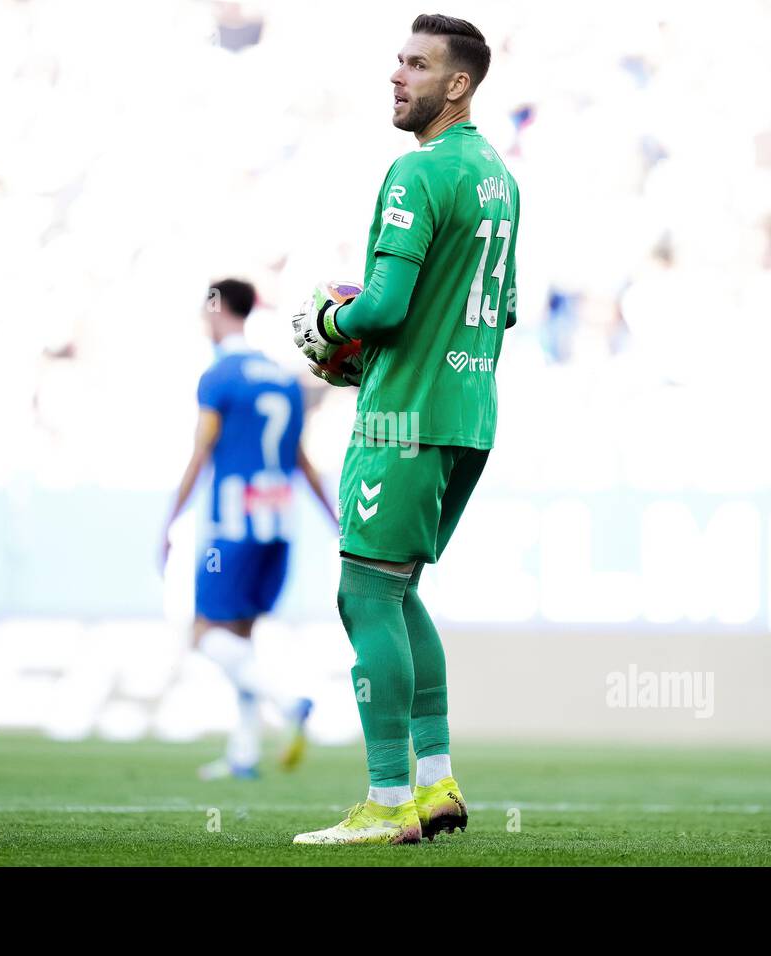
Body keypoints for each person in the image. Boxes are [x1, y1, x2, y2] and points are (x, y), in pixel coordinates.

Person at [290, 14, 519, 844]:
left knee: (362, 592)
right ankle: (435, 783)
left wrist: (330, 320)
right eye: (398, 60)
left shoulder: (416, 172)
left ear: (457, 85)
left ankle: (387, 804)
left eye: (417, 65)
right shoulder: (498, 175)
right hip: (469, 416)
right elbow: (502, 309)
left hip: (402, 417)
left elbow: (384, 308)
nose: (398, 76)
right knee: (398, 590)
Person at [164, 278, 337, 780]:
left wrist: (171, 519)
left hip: (232, 524)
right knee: (242, 632)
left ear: (218, 311)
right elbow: (302, 459)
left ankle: (289, 701)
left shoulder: (219, 377)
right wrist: (333, 519)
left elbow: (202, 451)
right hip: (279, 522)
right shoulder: (283, 377)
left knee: (203, 633)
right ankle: (243, 754)